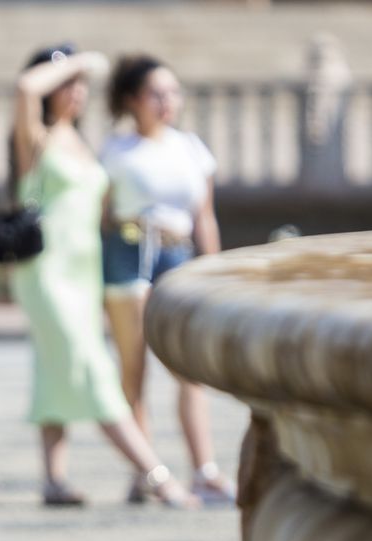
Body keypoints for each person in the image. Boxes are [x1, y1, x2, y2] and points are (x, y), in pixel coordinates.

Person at [8, 45, 197, 509]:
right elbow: (22, 88)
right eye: (65, 86)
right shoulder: (36, 137)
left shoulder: (85, 142)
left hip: (85, 271)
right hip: (47, 272)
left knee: (54, 369)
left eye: (80, 86)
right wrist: (77, 61)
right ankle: (157, 475)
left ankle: (54, 480)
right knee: (92, 369)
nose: (75, 92)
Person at [100, 54, 237, 506]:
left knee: (187, 368)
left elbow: (205, 216)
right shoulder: (116, 151)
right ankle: (148, 472)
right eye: (157, 94)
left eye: (172, 92)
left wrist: (214, 272)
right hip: (130, 250)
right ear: (133, 100)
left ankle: (204, 469)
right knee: (134, 368)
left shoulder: (191, 147)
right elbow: (100, 214)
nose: (167, 102)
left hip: (177, 253)